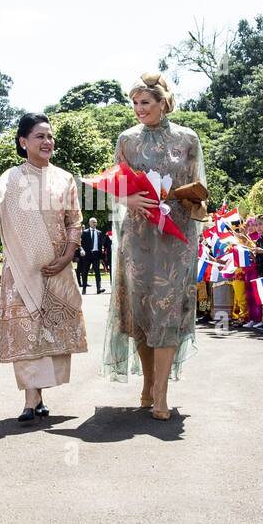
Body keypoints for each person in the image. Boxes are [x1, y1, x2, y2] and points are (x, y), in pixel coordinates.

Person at [0, 113, 87, 423]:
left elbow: (73, 221)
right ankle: (30, 398)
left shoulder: (65, 178)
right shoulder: (12, 177)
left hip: (56, 269)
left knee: (48, 333)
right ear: (24, 142)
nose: (47, 141)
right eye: (39, 136)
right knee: (26, 332)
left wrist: (67, 256)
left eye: (49, 136)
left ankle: (37, 396)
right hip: (21, 270)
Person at [102, 74, 206, 421]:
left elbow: (198, 188)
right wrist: (129, 198)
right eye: (134, 103)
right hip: (138, 235)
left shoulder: (188, 139)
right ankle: (147, 383)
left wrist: (188, 203)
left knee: (168, 309)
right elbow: (113, 186)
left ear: (163, 103)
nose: (139, 109)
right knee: (142, 310)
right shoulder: (127, 141)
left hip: (177, 237)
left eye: (145, 102)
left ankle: (161, 393)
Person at [78, 217, 107, 294]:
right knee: (85, 272)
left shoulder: (99, 233)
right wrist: (82, 250)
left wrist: (101, 257)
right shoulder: (85, 232)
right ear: (90, 223)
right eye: (93, 222)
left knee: (97, 272)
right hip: (87, 255)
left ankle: (98, 288)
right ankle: (84, 288)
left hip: (96, 255)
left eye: (96, 222)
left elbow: (101, 245)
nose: (95, 224)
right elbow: (79, 243)